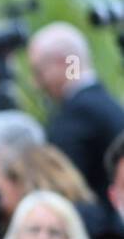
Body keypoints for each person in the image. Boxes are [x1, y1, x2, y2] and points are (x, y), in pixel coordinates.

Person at [28, 22, 124, 205]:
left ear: (67, 62)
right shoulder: (105, 104)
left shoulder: (79, 113)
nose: (36, 83)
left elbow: (59, 187)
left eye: (39, 72)